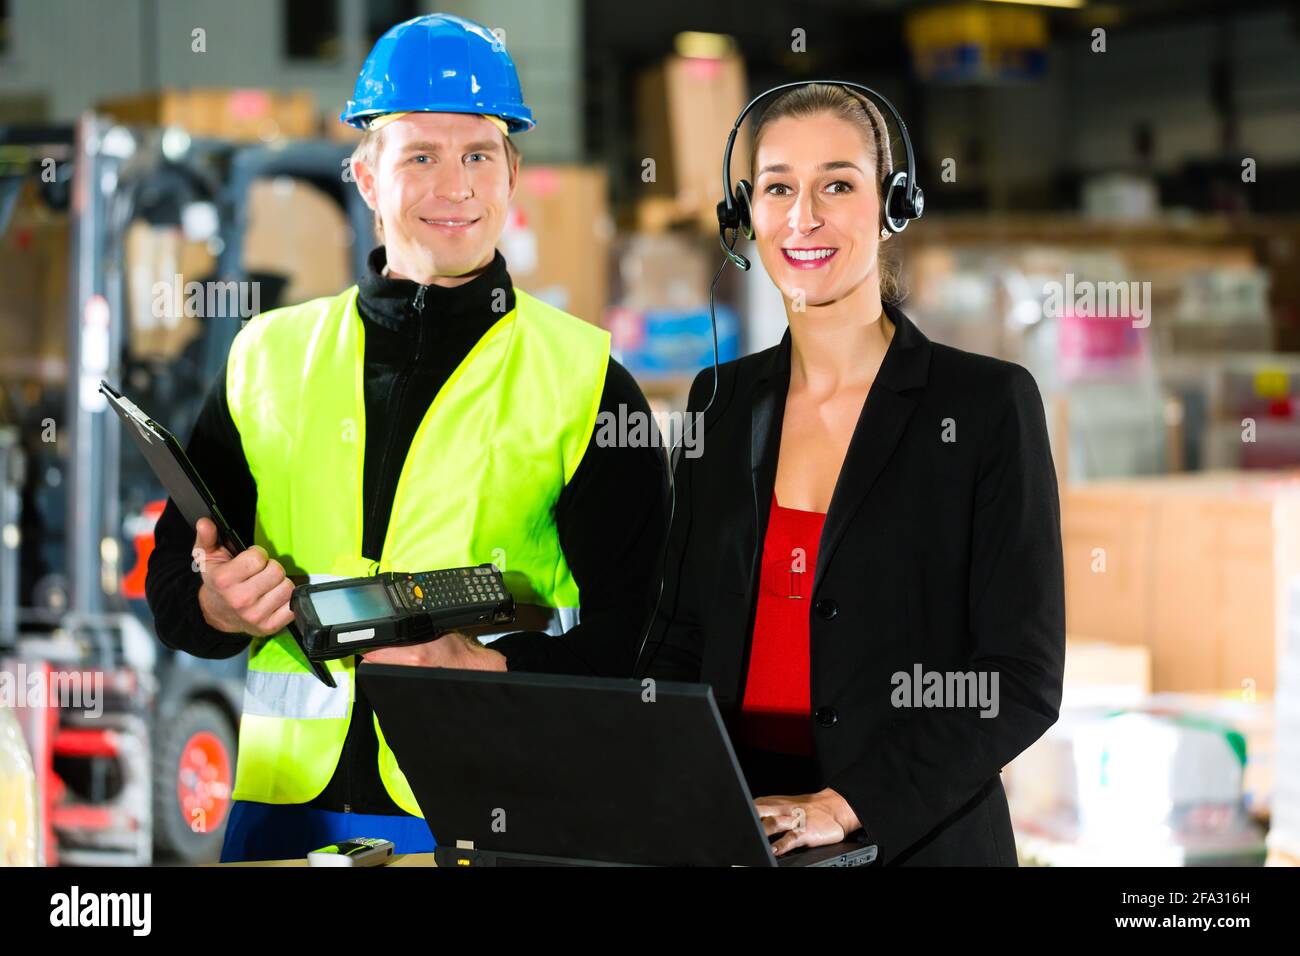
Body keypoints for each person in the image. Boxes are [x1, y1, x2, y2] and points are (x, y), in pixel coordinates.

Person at [145, 13, 667, 863]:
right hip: (283, 812)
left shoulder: (587, 380)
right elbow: (176, 576)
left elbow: (649, 630)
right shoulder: (266, 358)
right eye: (420, 155)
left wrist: (501, 673)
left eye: (478, 155)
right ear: (366, 176)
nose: (453, 186)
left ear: (513, 174)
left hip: (484, 802)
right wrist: (215, 603)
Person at [636, 83, 1064, 866]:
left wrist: (845, 807)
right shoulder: (721, 404)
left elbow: (1020, 676)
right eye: (777, 188)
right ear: (746, 214)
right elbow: (680, 639)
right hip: (744, 833)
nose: (804, 217)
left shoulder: (984, 406)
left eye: (837, 184)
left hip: (912, 839)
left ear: (891, 205)